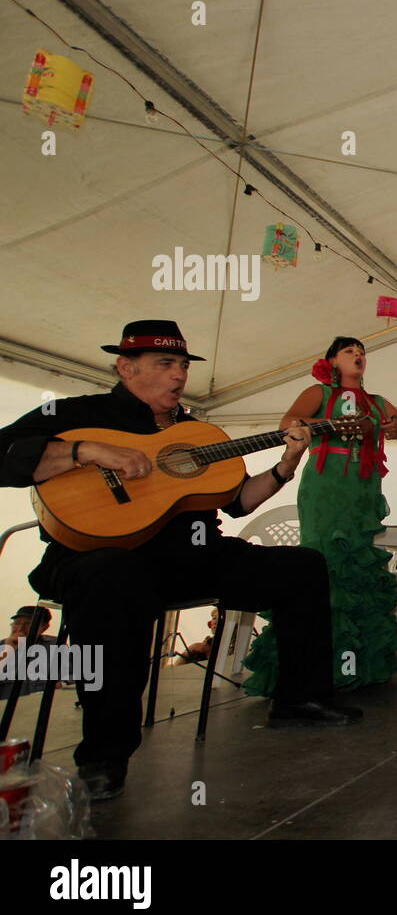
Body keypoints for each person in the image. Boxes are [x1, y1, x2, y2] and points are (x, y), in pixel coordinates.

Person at [0, 320, 361, 801]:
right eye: (165, 364)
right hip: (99, 556)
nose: (178, 376)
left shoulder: (196, 432)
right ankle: (105, 755)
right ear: (126, 367)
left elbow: (239, 502)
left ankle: (298, 699)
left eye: (183, 365)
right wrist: (84, 450)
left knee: (302, 566)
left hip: (189, 556)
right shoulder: (75, 414)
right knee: (112, 577)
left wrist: (287, 462)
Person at [242, 336, 397, 696]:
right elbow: (286, 424)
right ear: (332, 361)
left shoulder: (378, 402)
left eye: (362, 352)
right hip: (325, 488)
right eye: (349, 352)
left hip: (363, 490)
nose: (358, 356)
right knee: (323, 564)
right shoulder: (318, 393)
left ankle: (356, 666)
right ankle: (308, 668)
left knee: (358, 568)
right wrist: (325, 424)